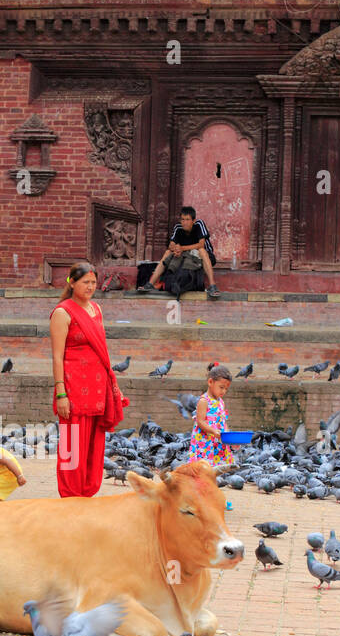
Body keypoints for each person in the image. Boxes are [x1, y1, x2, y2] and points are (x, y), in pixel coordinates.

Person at [49, 261, 129, 498]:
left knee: (95, 444)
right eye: (86, 282)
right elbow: (57, 357)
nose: (91, 286)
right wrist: (61, 393)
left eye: (93, 282)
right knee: (73, 445)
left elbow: (102, 350)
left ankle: (87, 493)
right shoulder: (62, 312)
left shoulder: (96, 309)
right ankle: (70, 495)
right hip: (73, 389)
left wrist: (113, 387)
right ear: (72, 283)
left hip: (97, 388)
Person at [144, 205, 220, 300]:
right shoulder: (178, 227)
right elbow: (171, 245)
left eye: (187, 219)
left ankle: (212, 286)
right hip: (187, 256)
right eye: (183, 219)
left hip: (205, 256)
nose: (184, 222)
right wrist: (175, 248)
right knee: (168, 252)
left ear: (193, 220)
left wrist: (182, 248)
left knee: (201, 250)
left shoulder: (199, 224)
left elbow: (201, 245)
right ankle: (150, 283)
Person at [189, 362, 234, 469]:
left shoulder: (221, 402)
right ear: (210, 382)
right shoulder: (204, 401)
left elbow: (223, 421)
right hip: (205, 441)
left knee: (218, 466)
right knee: (204, 467)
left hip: (218, 440)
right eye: (221, 387)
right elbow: (200, 422)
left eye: (226, 389)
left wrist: (227, 435)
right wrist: (213, 431)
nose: (223, 391)